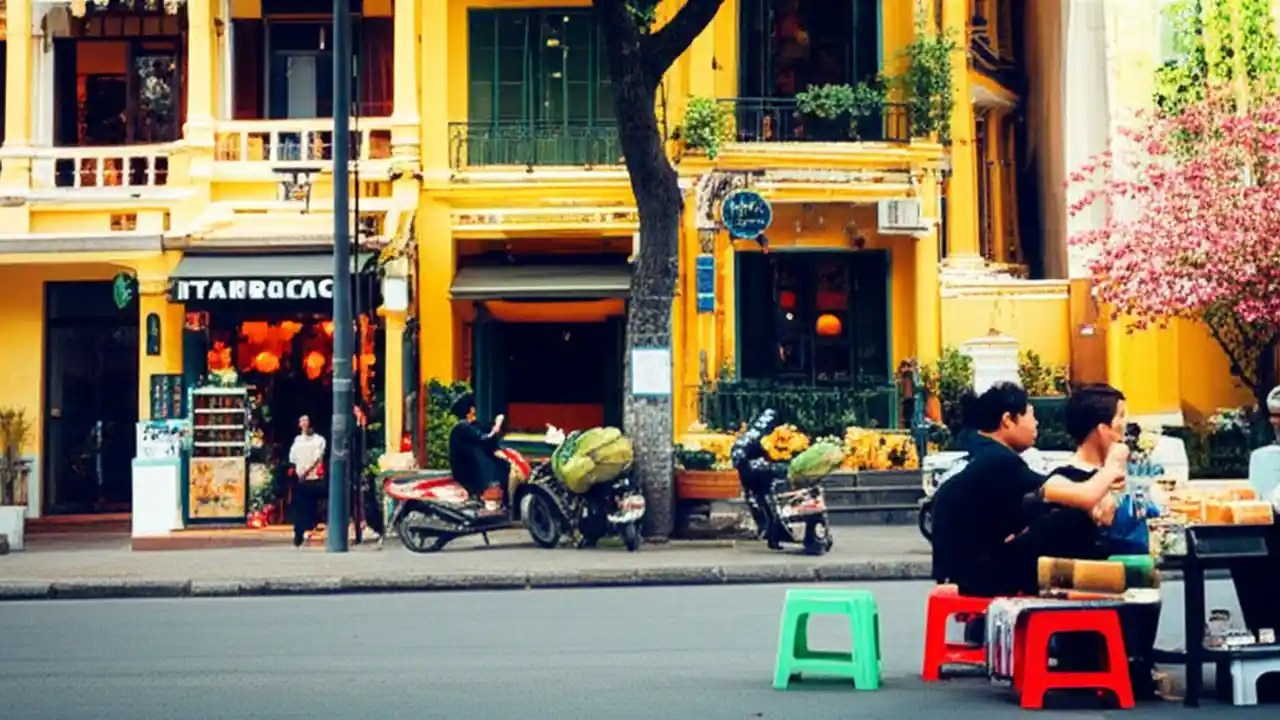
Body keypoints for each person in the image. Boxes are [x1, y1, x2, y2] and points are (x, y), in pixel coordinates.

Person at [930, 381, 1128, 598]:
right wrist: (1112, 465)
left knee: (1061, 518)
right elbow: (1079, 495)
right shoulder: (999, 461)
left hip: (967, 566)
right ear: (1008, 420)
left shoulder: (986, 452)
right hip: (974, 575)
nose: (1036, 423)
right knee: (1073, 520)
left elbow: (1046, 498)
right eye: (1030, 415)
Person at [1042, 383, 1162, 698]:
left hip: (1118, 563)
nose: (1126, 424)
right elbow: (1101, 515)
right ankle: (1130, 664)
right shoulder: (1066, 475)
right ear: (1102, 429)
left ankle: (1136, 660)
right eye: (1121, 416)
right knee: (1138, 569)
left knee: (1142, 566)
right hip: (1083, 570)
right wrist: (1113, 471)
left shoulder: (1117, 473)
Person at [447, 393, 509, 505]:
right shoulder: (463, 427)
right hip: (468, 469)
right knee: (503, 469)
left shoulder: (467, 427)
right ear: (470, 409)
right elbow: (485, 439)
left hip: (469, 466)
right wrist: (497, 427)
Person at [288, 414, 327, 547]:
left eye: (307, 421)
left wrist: (307, 471)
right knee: (300, 507)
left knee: (315, 506)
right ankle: (299, 534)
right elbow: (293, 459)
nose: (305, 424)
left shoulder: (319, 440)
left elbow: (318, 458)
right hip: (301, 479)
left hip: (315, 478)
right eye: (302, 421)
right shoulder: (297, 441)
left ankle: (312, 528)